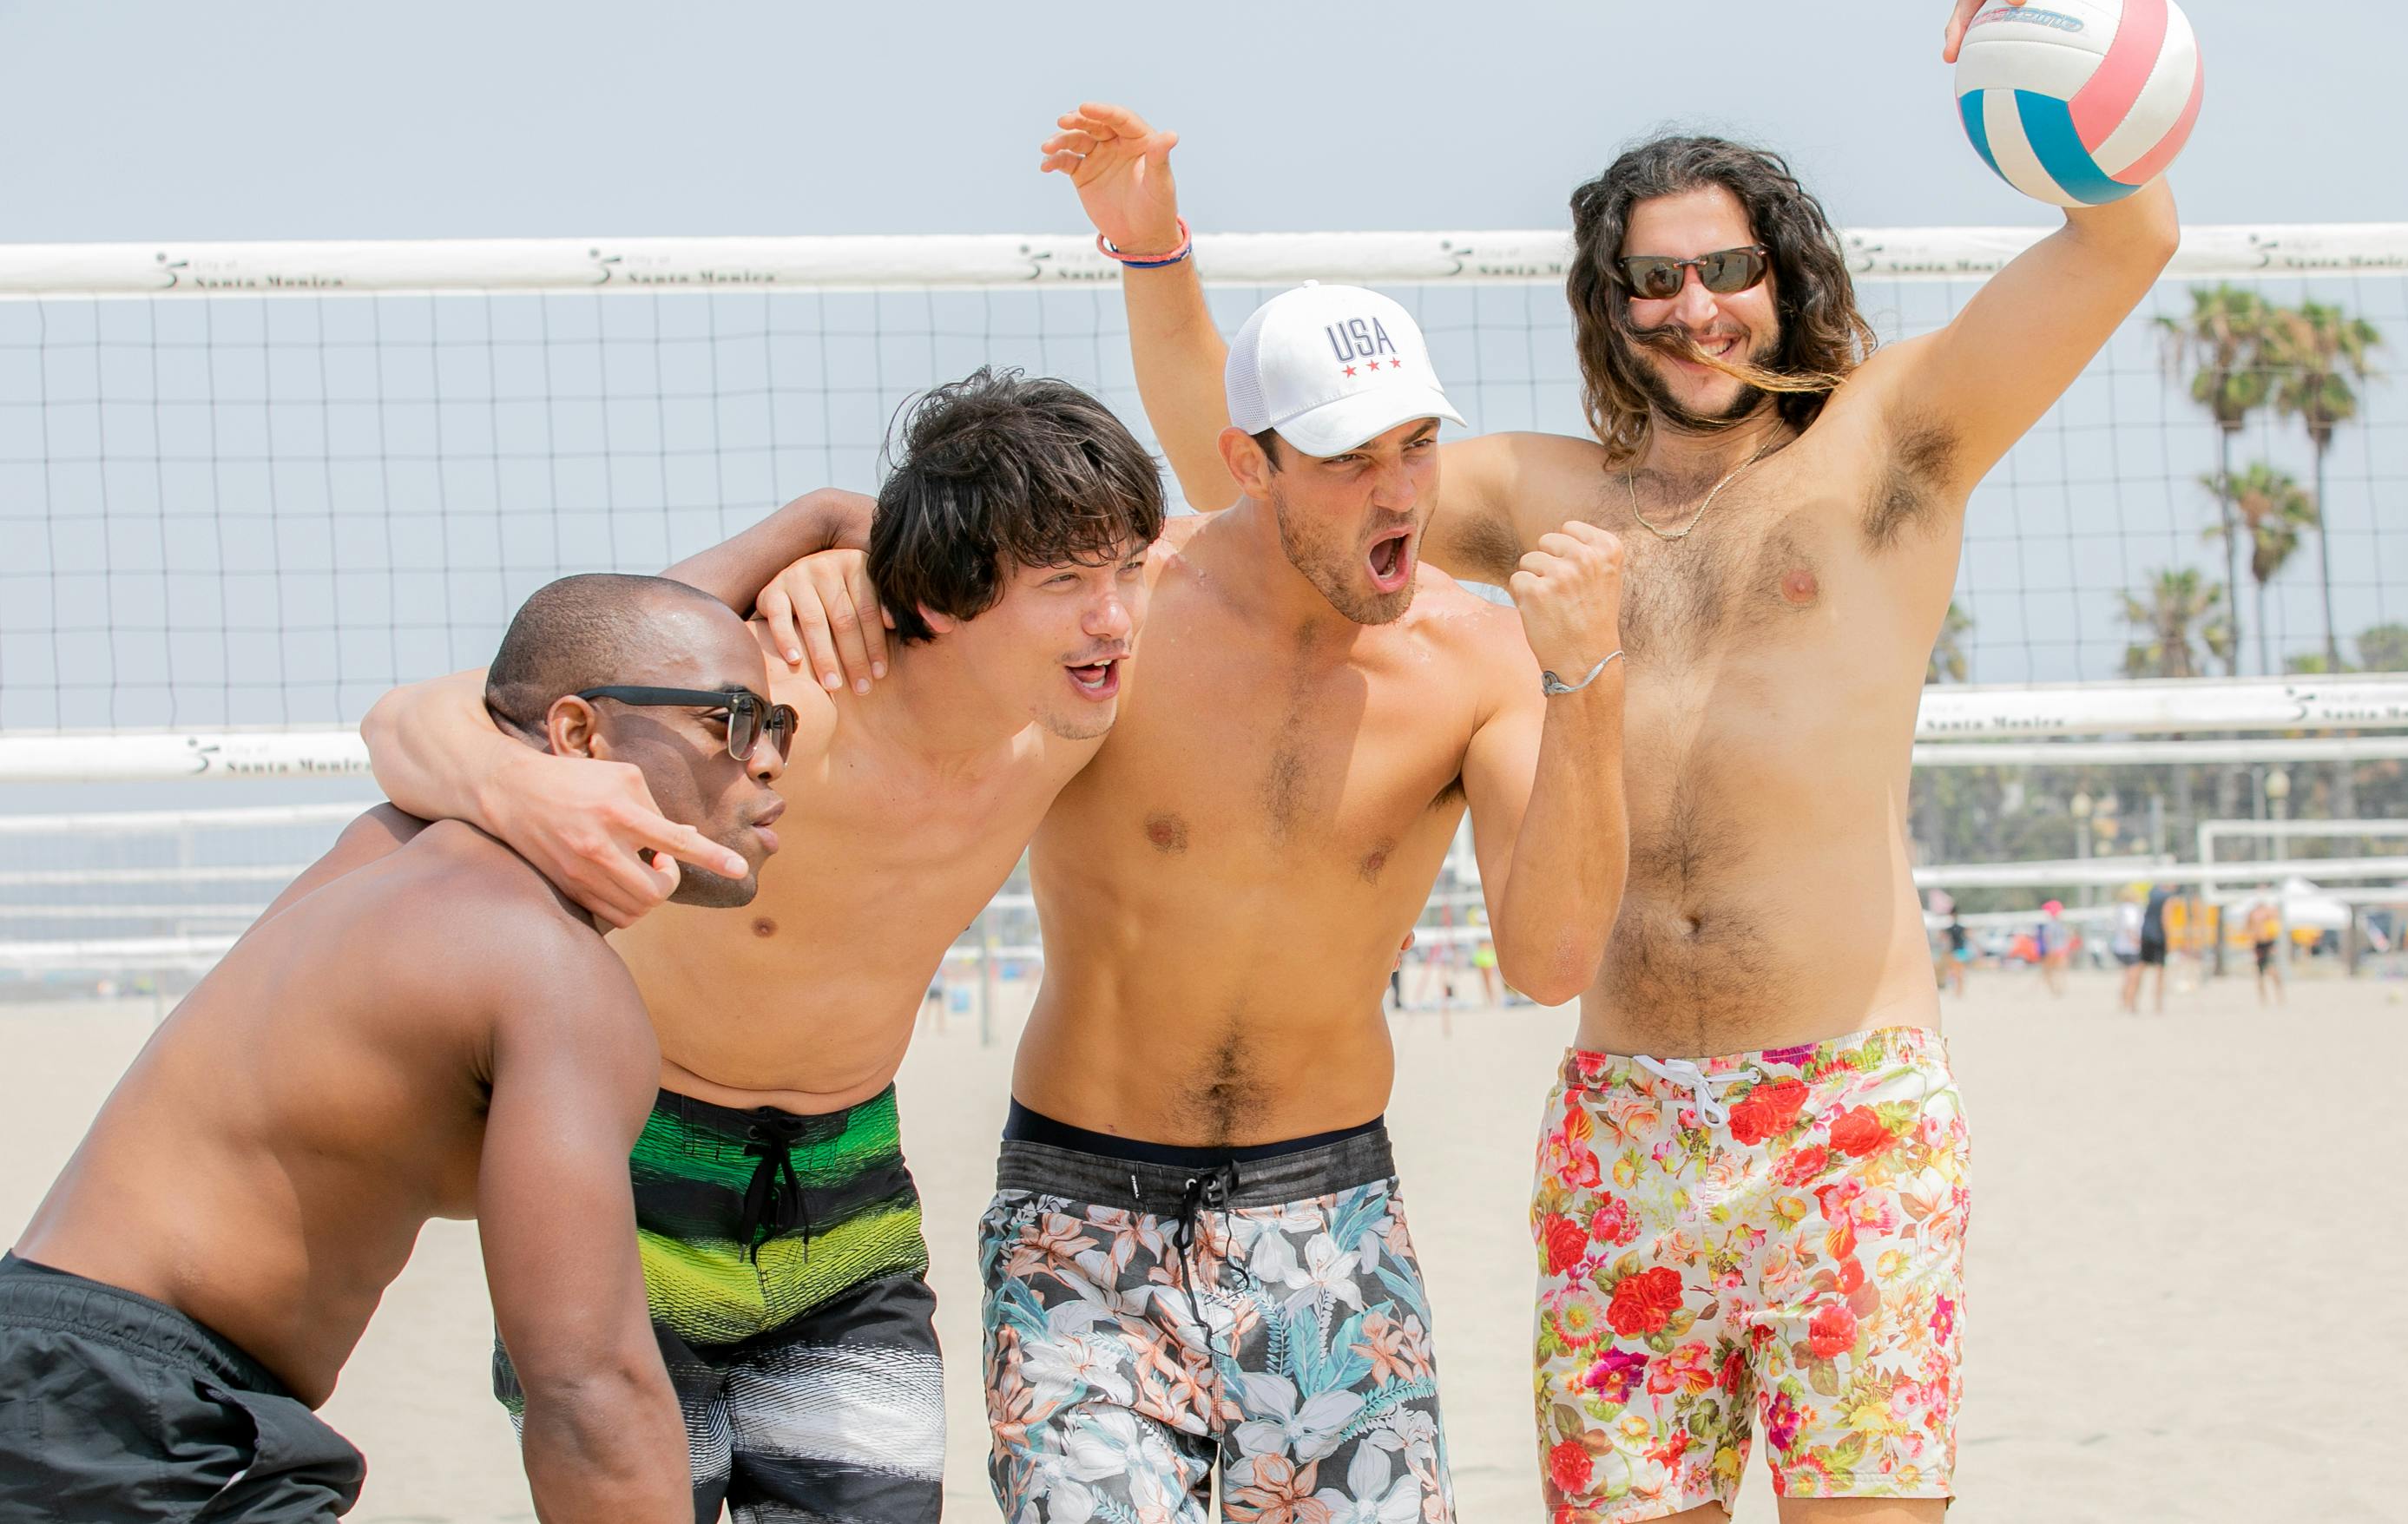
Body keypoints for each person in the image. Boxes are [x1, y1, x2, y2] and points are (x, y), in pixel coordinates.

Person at [1036, 0, 2172, 1514]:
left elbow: (2119, 245)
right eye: (1652, 278)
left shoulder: (1894, 440)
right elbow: (1246, 455)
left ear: (1783, 276)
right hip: (1622, 1110)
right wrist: (1156, 257)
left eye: (1727, 268)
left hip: (1844, 1109)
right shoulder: (1534, 497)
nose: (1693, 307)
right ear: (1605, 298)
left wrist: (2046, 20)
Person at [773, 285, 1628, 1520]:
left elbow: (1550, 959)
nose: (1397, 494)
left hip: (1329, 1227)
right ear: (1248, 463)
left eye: (1416, 446)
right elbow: (938, 622)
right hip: (1080, 1218)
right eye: (1345, 459)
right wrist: (824, 563)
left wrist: (1583, 679)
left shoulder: (1480, 658)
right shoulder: (1118, 617)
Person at [359, 370, 1165, 1524]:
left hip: (847, 1193)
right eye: (1065, 584)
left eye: (1127, 570)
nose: (1115, 615)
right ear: (939, 598)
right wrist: (808, 524)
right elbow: (435, 709)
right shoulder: (788, 698)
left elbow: (1273, 532)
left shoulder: (1082, 705)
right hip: (627, 1175)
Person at [1, 572, 789, 1522]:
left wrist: (816, 518)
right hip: (133, 1420)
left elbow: (577, 643)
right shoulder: (550, 970)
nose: (770, 759)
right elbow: (589, 1390)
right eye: (734, 721)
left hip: (64, 1371)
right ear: (578, 734)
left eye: (780, 724)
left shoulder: (383, 848)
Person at [2129, 880, 2174, 1014]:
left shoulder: (2151, 894)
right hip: (2159, 937)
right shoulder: (2168, 898)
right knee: (2160, 972)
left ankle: (2133, 1002)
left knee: (2140, 969)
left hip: (2146, 934)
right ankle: (2158, 1005)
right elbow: (2166, 919)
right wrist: (2170, 940)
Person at [2248, 895, 2286, 1006]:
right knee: (2260, 974)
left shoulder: (2269, 912)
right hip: (2259, 944)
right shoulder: (2253, 914)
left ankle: (2279, 997)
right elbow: (2248, 928)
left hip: (2268, 943)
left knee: (2273, 971)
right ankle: (2264, 1000)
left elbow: (2276, 921)